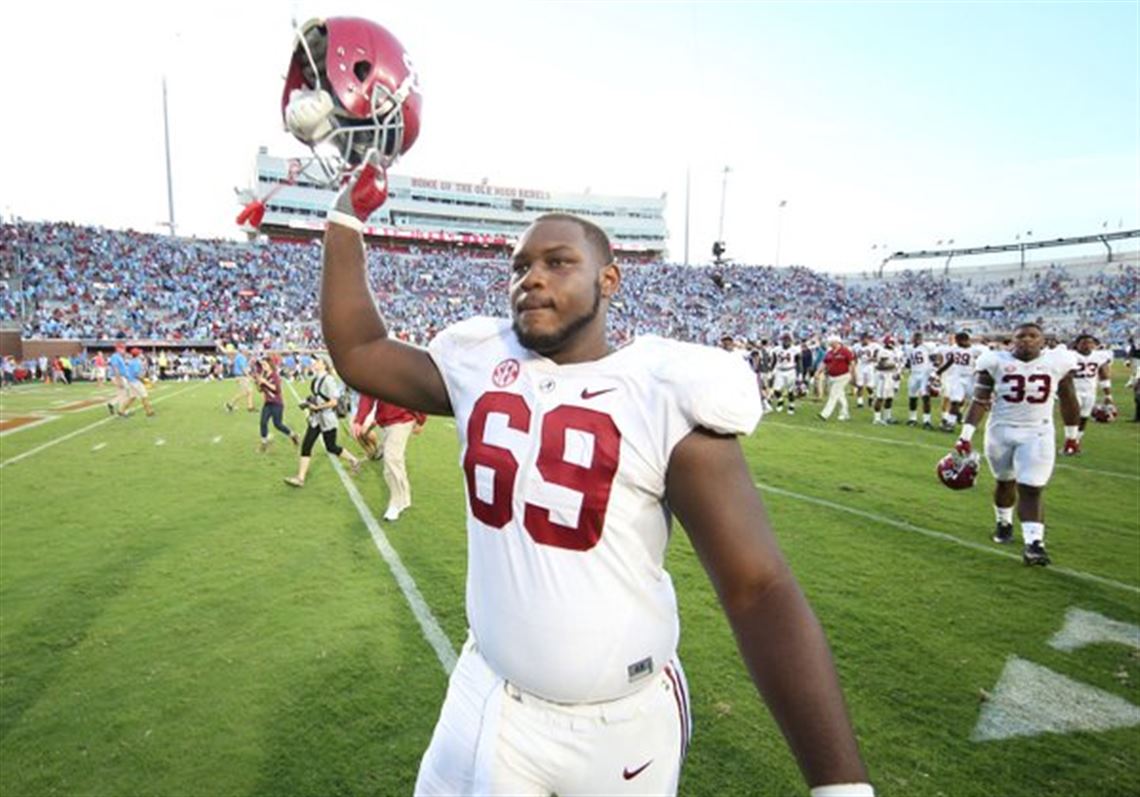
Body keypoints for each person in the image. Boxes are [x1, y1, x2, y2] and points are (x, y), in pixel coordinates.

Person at [321, 156, 872, 796]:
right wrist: (344, 217)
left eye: (558, 263)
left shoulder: (663, 388)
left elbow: (758, 587)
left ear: (609, 279)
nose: (531, 278)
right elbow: (359, 353)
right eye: (520, 266)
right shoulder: (479, 359)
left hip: (622, 723)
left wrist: (841, 786)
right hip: (488, 692)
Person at [948, 322, 1079, 566]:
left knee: (1032, 487)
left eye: (1033, 336)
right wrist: (965, 436)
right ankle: (1003, 522)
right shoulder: (994, 361)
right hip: (1000, 430)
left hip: (1037, 431)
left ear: (1042, 340)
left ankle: (1034, 544)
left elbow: (1069, 399)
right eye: (1021, 336)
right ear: (1012, 340)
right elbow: (979, 401)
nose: (1027, 340)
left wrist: (1073, 435)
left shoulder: (1057, 362)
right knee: (1004, 481)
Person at [284, 357, 362, 487]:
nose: (314, 363)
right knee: (306, 445)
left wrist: (317, 407)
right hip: (316, 419)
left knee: (331, 447)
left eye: (318, 361)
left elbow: (334, 402)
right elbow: (318, 397)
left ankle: (354, 460)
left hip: (327, 419)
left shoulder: (329, 380)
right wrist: (308, 403)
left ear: (325, 365)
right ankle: (300, 478)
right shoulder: (315, 379)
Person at [353, 393, 427, 521]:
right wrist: (359, 420)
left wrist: (421, 420)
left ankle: (396, 504)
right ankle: (404, 499)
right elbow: (368, 396)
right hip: (385, 421)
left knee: (391, 459)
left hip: (403, 419)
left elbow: (417, 390)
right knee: (396, 460)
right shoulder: (374, 374)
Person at [1067, 333, 1114, 453]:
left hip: (1090, 391)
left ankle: (1076, 441)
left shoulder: (1099, 356)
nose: (1087, 345)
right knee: (1073, 417)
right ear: (1077, 345)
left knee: (1084, 417)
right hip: (1073, 390)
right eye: (1083, 343)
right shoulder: (1070, 356)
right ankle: (1069, 442)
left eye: (1090, 343)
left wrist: (1108, 395)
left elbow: (1104, 375)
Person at [933, 330, 986, 432]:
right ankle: (950, 423)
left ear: (965, 340)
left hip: (971, 378)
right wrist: (938, 372)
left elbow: (984, 361)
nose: (956, 343)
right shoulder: (955, 349)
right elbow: (950, 361)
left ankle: (972, 423)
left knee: (978, 402)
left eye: (958, 341)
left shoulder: (976, 350)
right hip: (957, 378)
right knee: (955, 400)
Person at [255, 354, 301, 452]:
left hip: (277, 403)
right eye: (262, 365)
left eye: (265, 364)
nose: (263, 367)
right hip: (267, 403)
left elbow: (277, 389)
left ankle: (293, 435)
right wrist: (258, 383)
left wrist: (265, 382)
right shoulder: (264, 375)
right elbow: (260, 390)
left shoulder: (274, 375)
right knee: (263, 422)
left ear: (270, 364)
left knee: (278, 424)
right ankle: (264, 443)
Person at [903, 332, 939, 429]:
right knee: (912, 397)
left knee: (926, 397)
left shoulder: (927, 347)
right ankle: (912, 419)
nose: (915, 340)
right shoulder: (909, 348)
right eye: (914, 338)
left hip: (924, 374)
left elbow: (935, 360)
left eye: (917, 338)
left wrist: (933, 373)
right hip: (914, 374)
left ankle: (927, 421)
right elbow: (908, 363)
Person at [817, 335, 855, 422]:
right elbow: (824, 363)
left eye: (831, 342)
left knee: (833, 395)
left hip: (843, 376)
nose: (830, 344)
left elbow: (851, 363)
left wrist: (852, 375)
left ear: (836, 342)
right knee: (840, 395)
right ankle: (845, 413)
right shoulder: (829, 352)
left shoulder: (845, 351)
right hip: (832, 377)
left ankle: (825, 414)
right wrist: (818, 372)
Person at [770, 333, 799, 414]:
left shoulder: (795, 350)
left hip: (791, 370)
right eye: (784, 340)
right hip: (780, 370)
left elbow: (798, 361)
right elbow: (774, 361)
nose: (786, 341)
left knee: (791, 390)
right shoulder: (776, 349)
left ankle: (791, 405)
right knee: (776, 389)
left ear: (790, 341)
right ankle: (780, 399)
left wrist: (799, 373)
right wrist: (771, 370)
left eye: (788, 340)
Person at [851, 332, 878, 409]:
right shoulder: (856, 346)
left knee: (869, 386)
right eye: (862, 338)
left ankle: (871, 396)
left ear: (868, 339)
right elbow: (854, 357)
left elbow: (877, 356)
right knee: (860, 385)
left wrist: (872, 358)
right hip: (860, 366)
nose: (863, 340)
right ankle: (860, 402)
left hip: (869, 366)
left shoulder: (874, 346)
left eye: (865, 339)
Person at [225, 347, 256, 413]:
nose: (247, 352)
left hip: (241, 376)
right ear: (243, 351)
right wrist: (249, 376)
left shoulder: (239, 357)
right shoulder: (242, 357)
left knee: (249, 391)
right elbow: (243, 368)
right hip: (242, 376)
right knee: (244, 392)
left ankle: (250, 407)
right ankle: (230, 403)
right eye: (246, 351)